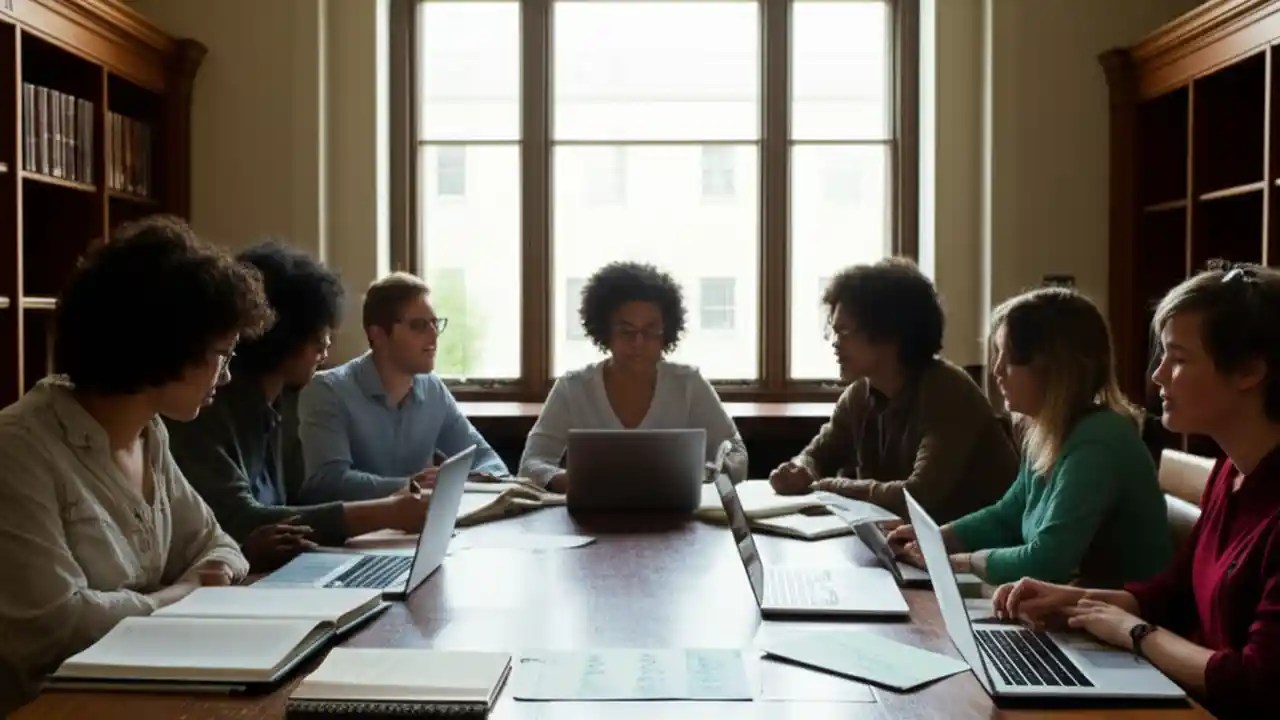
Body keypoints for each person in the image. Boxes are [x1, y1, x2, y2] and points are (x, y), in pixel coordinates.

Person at [0, 216, 268, 713]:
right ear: (163, 345)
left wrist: (203, 576)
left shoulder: (150, 432)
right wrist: (182, 593)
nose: (226, 375)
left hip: (146, 683)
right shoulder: (18, 449)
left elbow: (218, 544)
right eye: (220, 355)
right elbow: (55, 627)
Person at [993, 264, 1280, 719]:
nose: (1157, 377)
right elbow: (1175, 590)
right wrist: (1075, 602)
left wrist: (1135, 632)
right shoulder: (1233, 471)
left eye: (1179, 359)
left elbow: (1255, 683)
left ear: (1249, 371)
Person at [166, 243, 430, 572]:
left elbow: (298, 500)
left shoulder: (282, 402)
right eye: (316, 330)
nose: (326, 344)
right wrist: (386, 511)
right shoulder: (203, 408)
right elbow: (239, 519)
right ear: (281, 333)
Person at [886, 288, 1172, 587]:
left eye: (1009, 359)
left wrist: (959, 562)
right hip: (1082, 606)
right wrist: (934, 539)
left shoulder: (1098, 441)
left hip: (1122, 619)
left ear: (1055, 366)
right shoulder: (1051, 430)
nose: (996, 371)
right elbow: (1007, 515)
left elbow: (1048, 561)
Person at [769, 258, 1018, 523]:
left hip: (976, 553)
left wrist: (831, 487)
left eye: (844, 331)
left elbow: (918, 497)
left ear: (889, 333)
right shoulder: (858, 396)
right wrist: (800, 469)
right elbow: (818, 454)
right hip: (912, 547)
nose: (835, 343)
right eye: (834, 331)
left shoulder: (948, 393)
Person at [519, 262, 747, 492]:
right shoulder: (573, 388)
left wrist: (704, 475)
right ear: (606, 332)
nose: (638, 343)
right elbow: (530, 464)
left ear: (666, 332)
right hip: (591, 519)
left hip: (676, 518)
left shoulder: (688, 384)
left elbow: (736, 453)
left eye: (650, 331)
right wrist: (568, 480)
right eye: (627, 331)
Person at [297, 272, 509, 502]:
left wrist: (466, 481)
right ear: (377, 334)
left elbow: (491, 463)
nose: (433, 335)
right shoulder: (327, 390)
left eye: (435, 323)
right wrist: (413, 486)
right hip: (352, 535)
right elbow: (328, 483)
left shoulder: (433, 389)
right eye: (418, 326)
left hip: (420, 532)